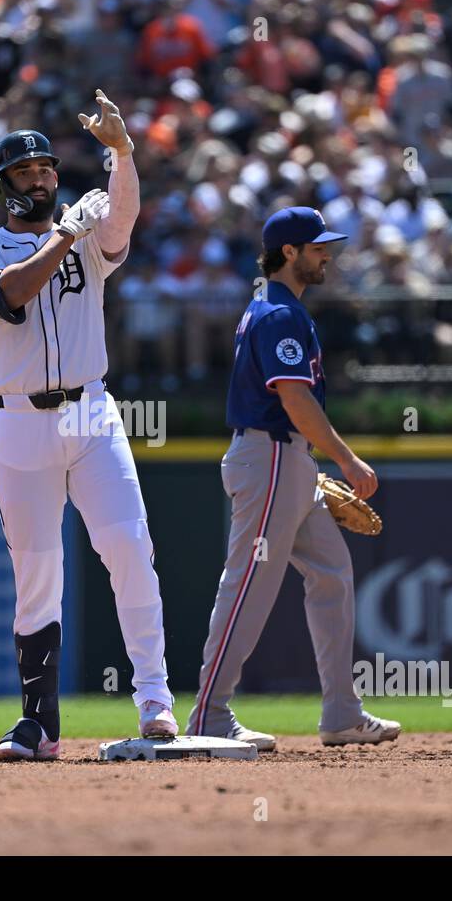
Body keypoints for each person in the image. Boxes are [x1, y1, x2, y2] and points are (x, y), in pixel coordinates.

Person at [0, 93, 177, 762]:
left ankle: (157, 702)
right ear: (4, 186)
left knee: (130, 548)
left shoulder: (84, 228)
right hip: (18, 421)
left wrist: (124, 153)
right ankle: (39, 726)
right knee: (37, 573)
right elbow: (10, 295)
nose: (43, 178)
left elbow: (124, 217)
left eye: (47, 168)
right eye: (27, 172)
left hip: (90, 410)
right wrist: (68, 234)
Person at [186, 207, 401, 751]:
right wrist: (348, 460)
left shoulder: (278, 309)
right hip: (272, 458)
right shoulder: (280, 312)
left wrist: (310, 464)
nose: (327, 253)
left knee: (332, 573)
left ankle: (341, 713)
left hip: (288, 460)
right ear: (289, 252)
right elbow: (294, 396)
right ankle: (209, 713)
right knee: (249, 585)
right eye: (317, 246)